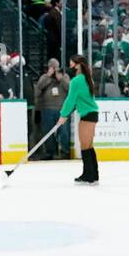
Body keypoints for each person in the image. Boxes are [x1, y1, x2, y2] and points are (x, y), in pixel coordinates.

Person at [57, 54, 99, 185]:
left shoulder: (77, 81)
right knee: (89, 145)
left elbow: (70, 100)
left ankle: (89, 176)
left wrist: (63, 115)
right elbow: (81, 99)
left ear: (78, 64)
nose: (70, 65)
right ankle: (93, 174)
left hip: (87, 115)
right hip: (91, 114)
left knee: (85, 146)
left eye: (71, 63)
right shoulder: (87, 79)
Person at [34, 58, 69, 159]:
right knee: (48, 131)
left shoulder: (64, 76)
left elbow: (70, 88)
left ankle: (65, 151)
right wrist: (48, 76)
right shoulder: (45, 77)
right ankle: (50, 152)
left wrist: (61, 78)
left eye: (56, 67)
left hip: (62, 109)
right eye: (52, 67)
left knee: (63, 131)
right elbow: (39, 87)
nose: (54, 69)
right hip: (47, 109)